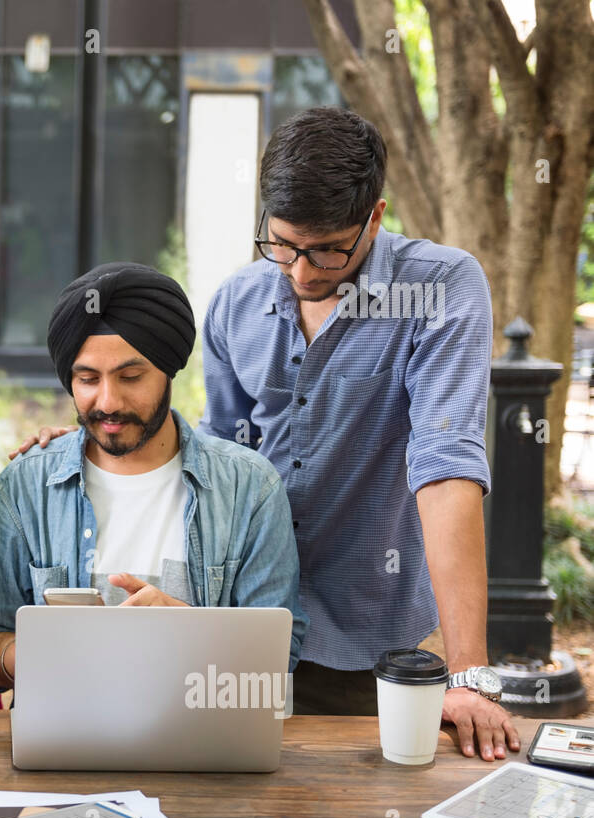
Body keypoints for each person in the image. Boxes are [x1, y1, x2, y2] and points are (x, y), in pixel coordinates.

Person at [199, 107, 518, 759]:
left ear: (375, 216)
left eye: (328, 250)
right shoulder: (235, 304)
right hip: (243, 632)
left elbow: (446, 466)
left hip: (370, 640)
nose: (302, 272)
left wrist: (470, 677)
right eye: (283, 245)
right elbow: (220, 461)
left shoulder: (440, 288)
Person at [0, 263, 305, 691]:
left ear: (169, 371)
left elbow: (279, 655)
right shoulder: (24, 487)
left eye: (131, 377)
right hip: (65, 738)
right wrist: (35, 654)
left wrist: (189, 634)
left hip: (200, 740)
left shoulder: (250, 487)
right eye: (87, 379)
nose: (108, 402)